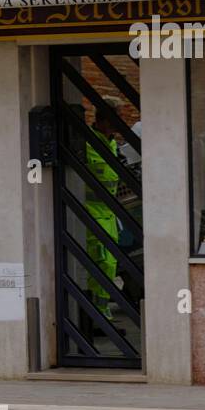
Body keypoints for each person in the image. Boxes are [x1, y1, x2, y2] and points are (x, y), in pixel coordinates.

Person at [85, 98, 123, 320]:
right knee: (101, 263)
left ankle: (102, 311)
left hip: (108, 214)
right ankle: (97, 314)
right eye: (117, 118)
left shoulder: (112, 143)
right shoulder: (87, 143)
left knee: (111, 264)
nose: (121, 124)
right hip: (91, 213)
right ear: (105, 119)